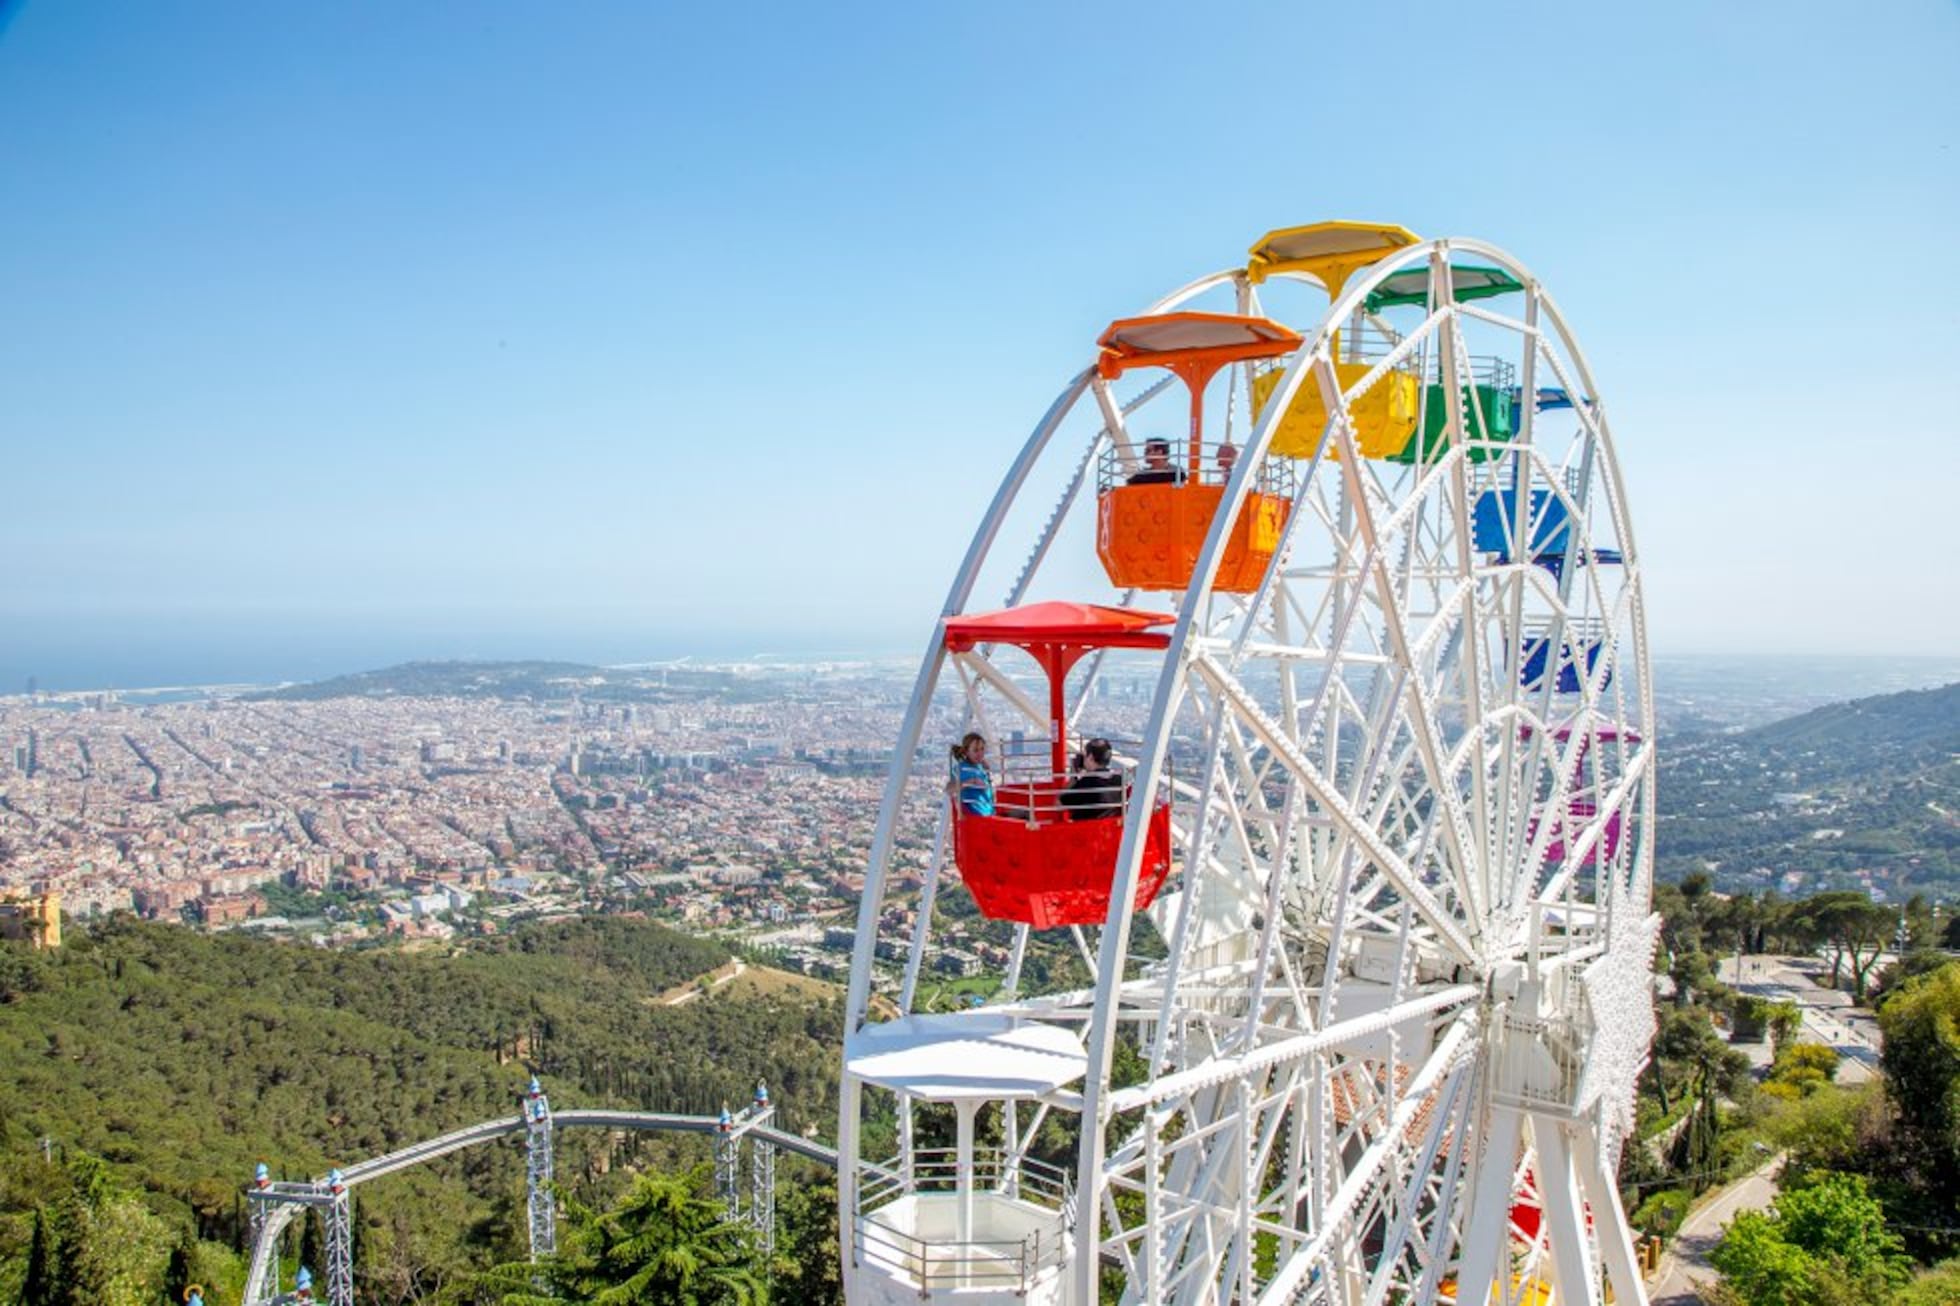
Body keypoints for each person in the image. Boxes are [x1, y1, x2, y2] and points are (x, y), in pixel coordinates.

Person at [1060, 737, 1122, 820]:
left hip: (1084, 830)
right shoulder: (1118, 780)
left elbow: (1059, 804)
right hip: (1110, 828)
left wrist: (1073, 778)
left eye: (1085, 755)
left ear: (1091, 757)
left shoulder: (1087, 782)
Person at [947, 732, 994, 817]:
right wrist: (972, 781)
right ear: (966, 752)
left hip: (988, 813)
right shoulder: (961, 768)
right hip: (975, 816)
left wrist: (987, 772)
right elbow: (949, 789)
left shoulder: (980, 766)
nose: (980, 753)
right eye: (976, 750)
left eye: (982, 749)